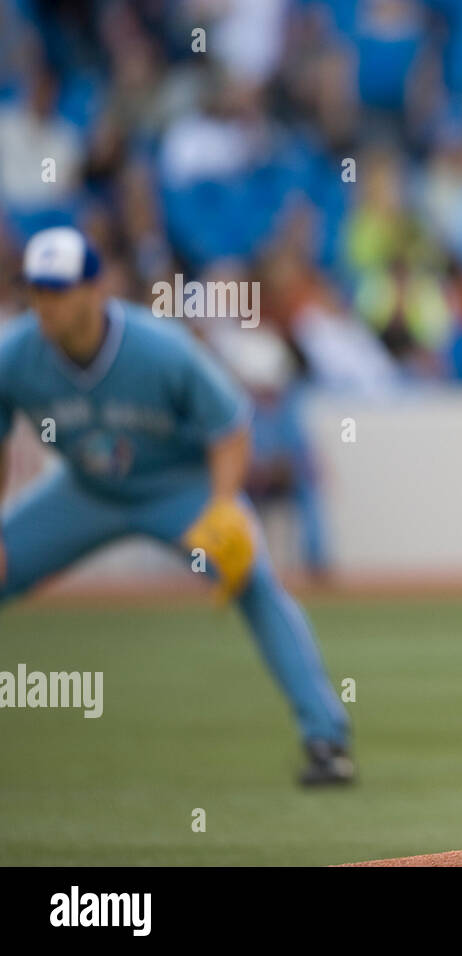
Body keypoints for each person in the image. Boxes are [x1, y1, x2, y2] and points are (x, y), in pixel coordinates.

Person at [0, 226, 353, 786]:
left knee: (253, 578)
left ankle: (326, 739)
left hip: (177, 485)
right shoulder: (15, 354)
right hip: (87, 489)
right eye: (37, 290)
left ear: (95, 290)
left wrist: (221, 507)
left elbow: (230, 424)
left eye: (58, 290)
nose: (45, 303)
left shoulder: (157, 347)